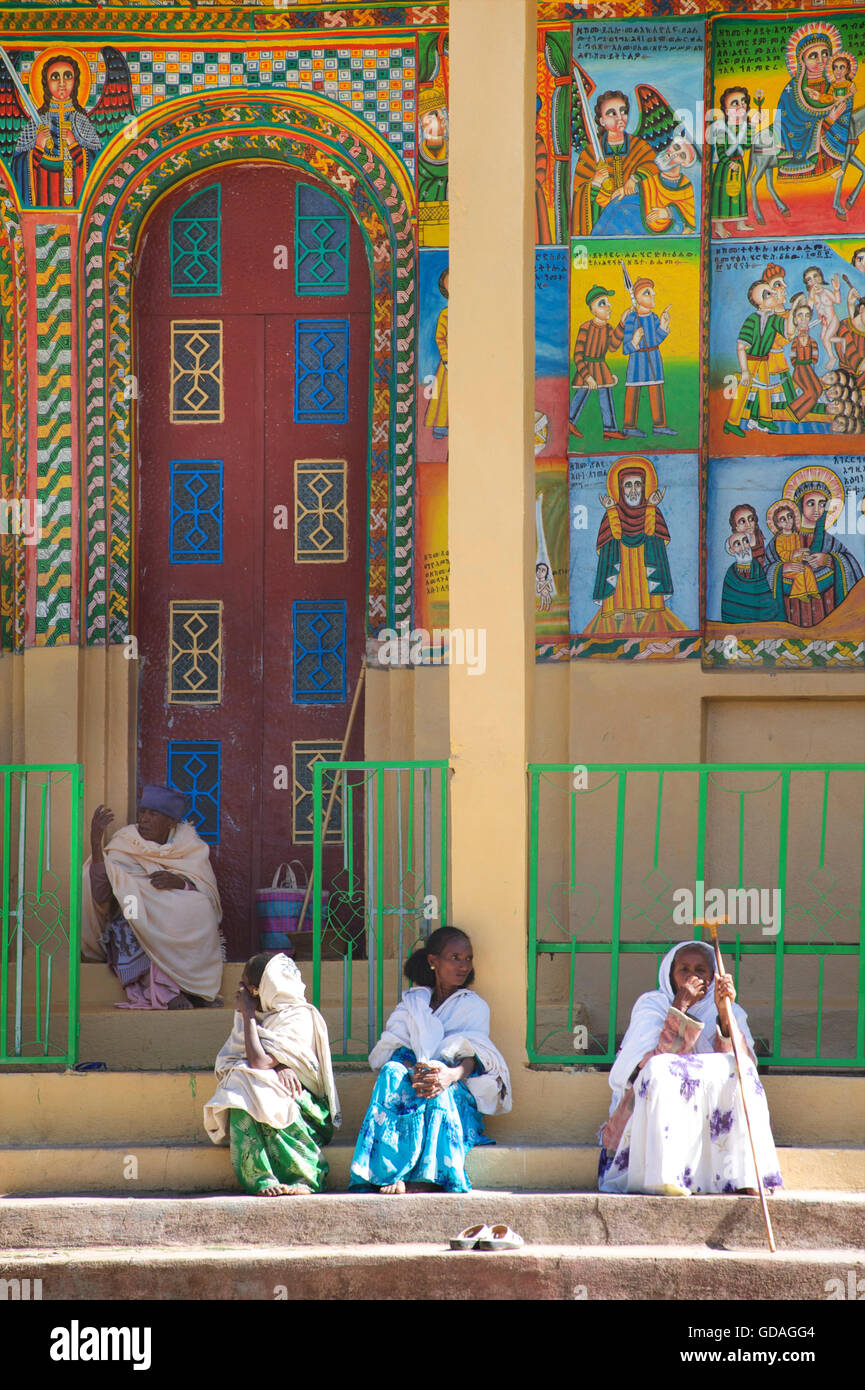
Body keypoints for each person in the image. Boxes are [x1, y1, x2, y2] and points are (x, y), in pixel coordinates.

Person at [599, 940, 783, 1196]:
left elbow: (744, 1064)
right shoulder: (653, 1004)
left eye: (700, 970)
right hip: (656, 1100)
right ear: (670, 974)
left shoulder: (730, 1009)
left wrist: (724, 1015)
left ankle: (743, 1174)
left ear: (712, 976)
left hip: (710, 1111)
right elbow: (647, 1066)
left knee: (740, 1070)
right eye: (683, 969)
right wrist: (680, 1006)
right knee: (662, 1069)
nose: (692, 976)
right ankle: (666, 1175)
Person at [349, 926, 511, 1194]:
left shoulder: (474, 1006)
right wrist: (416, 1071)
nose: (463, 965)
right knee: (391, 1072)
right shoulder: (414, 1003)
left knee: (438, 1083)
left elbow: (474, 1055)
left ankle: (427, 1178)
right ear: (433, 961)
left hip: (456, 1084)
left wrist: (448, 1075)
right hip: (414, 1077)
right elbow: (393, 1048)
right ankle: (384, 1171)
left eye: (468, 958)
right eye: (455, 957)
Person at [204, 952, 340, 1196]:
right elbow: (231, 1062)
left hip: (307, 1108)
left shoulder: (298, 1016)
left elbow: (257, 1061)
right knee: (240, 1081)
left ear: (260, 990)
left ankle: (306, 1177)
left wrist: (247, 1016)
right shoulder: (260, 1014)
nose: (241, 992)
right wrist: (277, 1066)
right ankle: (260, 1178)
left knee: (252, 1083)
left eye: (245, 986)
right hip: (268, 1089)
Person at [81, 784, 223, 1009]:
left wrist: (180, 883)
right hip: (132, 915)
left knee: (201, 907)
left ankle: (195, 988)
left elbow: (206, 891)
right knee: (133, 910)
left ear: (171, 822)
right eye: (142, 812)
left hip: (172, 917)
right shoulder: (124, 843)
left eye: (152, 814)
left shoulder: (189, 846)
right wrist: (96, 846)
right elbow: (100, 895)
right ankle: (166, 993)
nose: (144, 819)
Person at [585, 456, 687, 637]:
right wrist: (610, 510)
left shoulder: (651, 508)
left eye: (637, 484)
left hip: (643, 555)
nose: (633, 490)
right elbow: (615, 535)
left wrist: (651, 507)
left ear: (644, 486)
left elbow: (650, 533)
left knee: (643, 573)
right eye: (628, 485)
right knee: (619, 574)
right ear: (620, 488)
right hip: (622, 555)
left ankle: (645, 605)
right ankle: (617, 607)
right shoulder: (613, 510)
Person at [764, 468, 863, 625]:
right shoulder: (779, 539)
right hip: (790, 608)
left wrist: (829, 560)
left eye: (822, 504)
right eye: (811, 503)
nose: (817, 509)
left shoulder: (829, 541)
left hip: (824, 609)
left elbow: (850, 566)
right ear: (799, 505)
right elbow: (765, 569)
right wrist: (782, 568)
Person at [12, 54, 101, 208]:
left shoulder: (80, 120)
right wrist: (38, 146)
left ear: (76, 81)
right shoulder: (37, 122)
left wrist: (74, 145)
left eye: (67, 76)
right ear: (46, 83)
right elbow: (17, 166)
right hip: (43, 193)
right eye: (55, 77)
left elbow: (99, 165)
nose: (62, 83)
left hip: (76, 195)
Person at [571, 90, 657, 238]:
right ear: (602, 121)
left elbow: (654, 171)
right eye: (612, 113)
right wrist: (596, 183)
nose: (620, 117)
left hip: (635, 220)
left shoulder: (639, 146)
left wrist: (633, 180)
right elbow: (580, 197)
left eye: (623, 111)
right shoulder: (590, 154)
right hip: (603, 222)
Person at [776, 23, 854, 180]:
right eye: (814, 55)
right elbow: (788, 118)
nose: (821, 60)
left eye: (825, 54)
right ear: (802, 60)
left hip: (830, 135)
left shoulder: (834, 84)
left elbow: (843, 105)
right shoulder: (793, 88)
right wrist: (828, 119)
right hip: (798, 137)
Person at [569, 284, 626, 442]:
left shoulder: (608, 328)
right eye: (602, 303)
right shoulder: (585, 327)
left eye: (608, 303)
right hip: (587, 366)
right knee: (582, 393)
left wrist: (621, 324)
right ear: (593, 309)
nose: (608, 306)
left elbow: (613, 346)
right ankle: (570, 421)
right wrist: (587, 376)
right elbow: (578, 355)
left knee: (605, 395)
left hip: (600, 367)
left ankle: (610, 429)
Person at [620, 277, 675, 438]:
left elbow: (656, 340)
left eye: (652, 292)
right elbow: (625, 349)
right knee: (633, 392)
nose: (653, 294)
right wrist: (635, 341)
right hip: (637, 362)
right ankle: (629, 426)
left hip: (654, 358)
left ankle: (660, 425)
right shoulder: (631, 318)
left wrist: (664, 326)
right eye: (647, 292)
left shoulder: (654, 318)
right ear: (637, 298)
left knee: (656, 390)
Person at [710, 87, 753, 239]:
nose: (741, 106)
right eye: (735, 103)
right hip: (725, 167)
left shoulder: (743, 127)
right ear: (726, 111)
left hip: (739, 165)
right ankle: (719, 227)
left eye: (743, 102)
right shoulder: (722, 128)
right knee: (722, 197)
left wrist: (751, 127)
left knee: (739, 195)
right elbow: (720, 151)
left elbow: (747, 145)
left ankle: (740, 223)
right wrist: (729, 163)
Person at [720, 532, 784, 624]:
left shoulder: (757, 567)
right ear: (731, 550)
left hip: (761, 613)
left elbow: (764, 593)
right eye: (738, 544)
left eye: (745, 541)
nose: (744, 547)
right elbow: (729, 603)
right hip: (737, 617)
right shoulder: (731, 573)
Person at [424, 268, 448, 439]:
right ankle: (442, 426)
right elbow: (440, 337)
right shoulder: (446, 314)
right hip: (450, 363)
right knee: (445, 394)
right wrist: (447, 359)